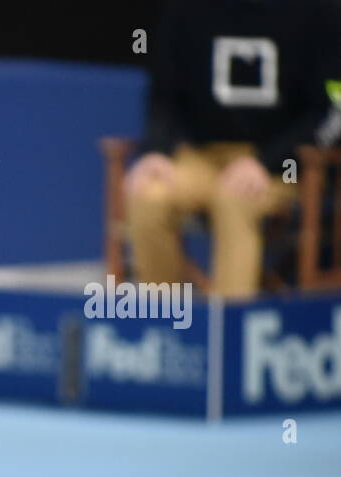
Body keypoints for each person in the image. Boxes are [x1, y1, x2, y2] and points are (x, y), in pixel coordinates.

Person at [125, 0, 341, 297]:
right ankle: (164, 326)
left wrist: (267, 163)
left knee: (235, 198)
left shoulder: (319, 12)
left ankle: (227, 330)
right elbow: (164, 96)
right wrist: (156, 150)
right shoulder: (185, 10)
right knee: (149, 194)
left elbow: (334, 106)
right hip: (203, 157)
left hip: (285, 169)